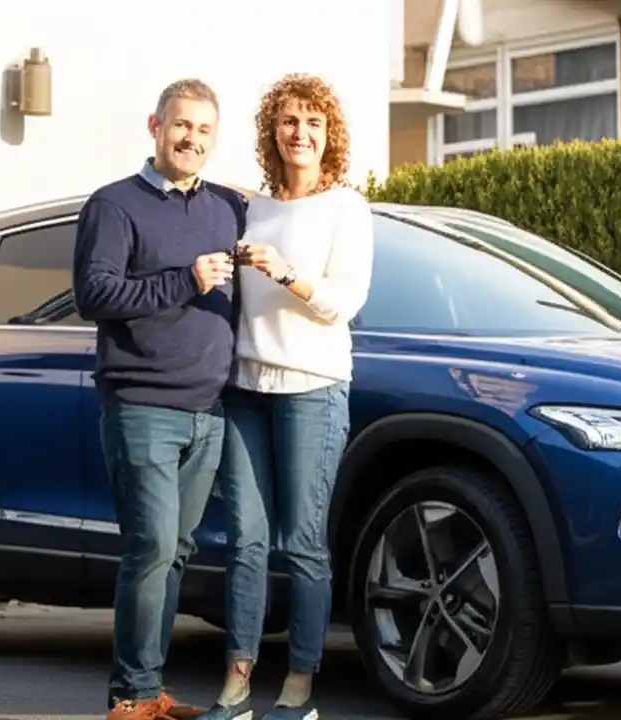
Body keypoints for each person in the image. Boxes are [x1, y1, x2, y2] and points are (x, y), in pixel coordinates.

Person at [197, 73, 374, 720]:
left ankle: (299, 685)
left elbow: (344, 302)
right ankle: (236, 682)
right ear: (273, 132)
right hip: (245, 389)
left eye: (313, 123)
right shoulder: (253, 208)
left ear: (330, 136)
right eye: (289, 121)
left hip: (312, 391)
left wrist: (287, 272)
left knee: (301, 544)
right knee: (244, 541)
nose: (300, 133)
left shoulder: (346, 208)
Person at [73, 78, 247, 720]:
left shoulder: (228, 208)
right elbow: (94, 294)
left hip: (210, 413)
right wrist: (186, 280)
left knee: (175, 551)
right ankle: (131, 696)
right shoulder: (114, 205)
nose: (191, 139)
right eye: (181, 126)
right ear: (155, 127)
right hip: (142, 406)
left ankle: (148, 688)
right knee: (150, 547)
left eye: (203, 130)